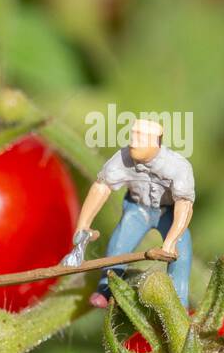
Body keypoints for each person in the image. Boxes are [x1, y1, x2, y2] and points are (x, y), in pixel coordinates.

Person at [69, 119, 194, 309]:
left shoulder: (178, 166)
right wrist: (83, 223)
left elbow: (184, 205)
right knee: (118, 246)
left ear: (156, 142)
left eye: (141, 138)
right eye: (133, 135)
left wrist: (171, 241)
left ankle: (178, 303)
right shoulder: (121, 158)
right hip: (137, 209)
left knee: (181, 254)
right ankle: (106, 287)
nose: (134, 141)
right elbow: (101, 187)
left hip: (168, 212)